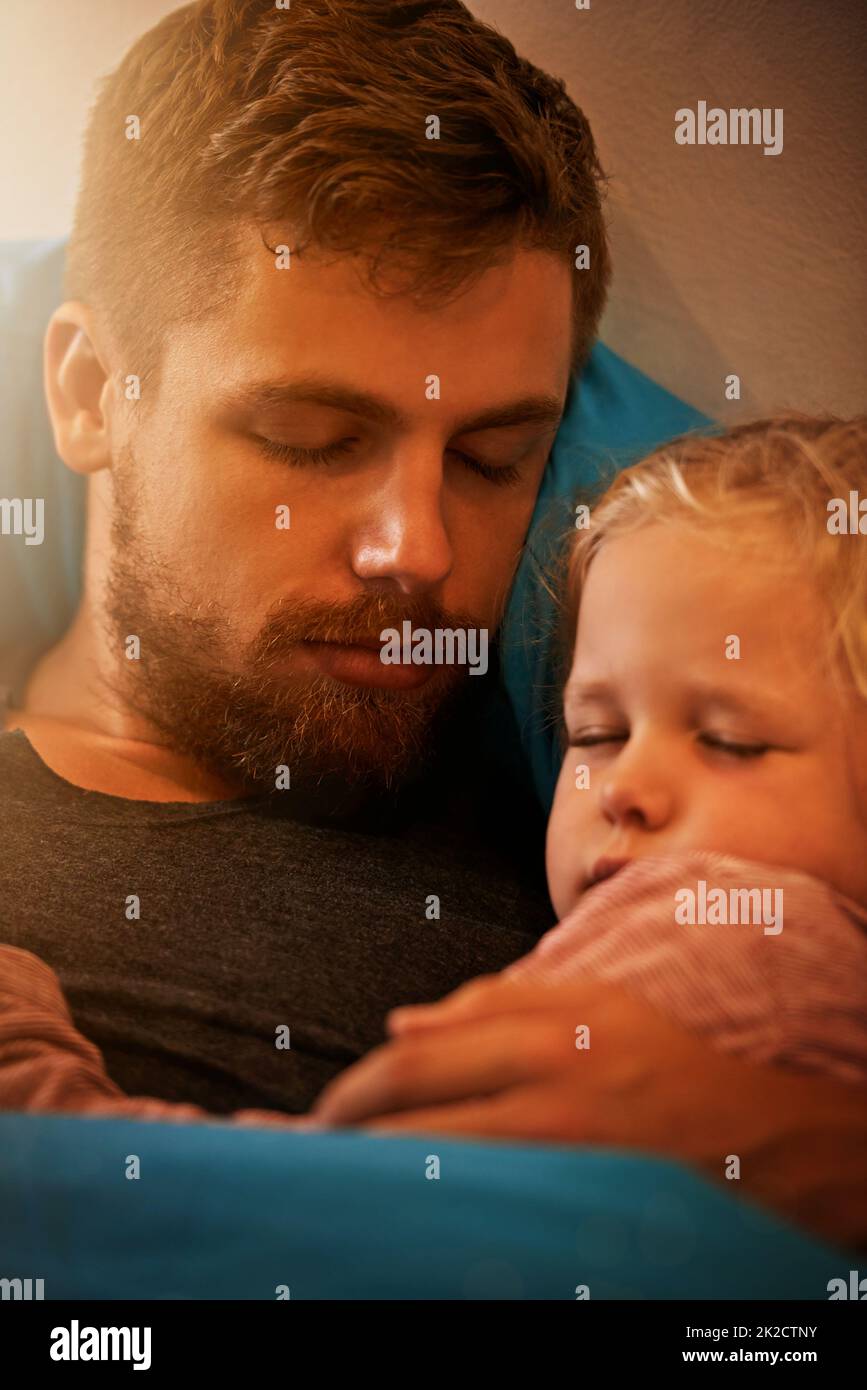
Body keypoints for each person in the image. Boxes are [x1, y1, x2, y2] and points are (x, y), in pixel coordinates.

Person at [1, 1, 863, 1249]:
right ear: (91, 392)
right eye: (312, 439)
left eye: (496, 455)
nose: (420, 549)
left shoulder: (638, 806)